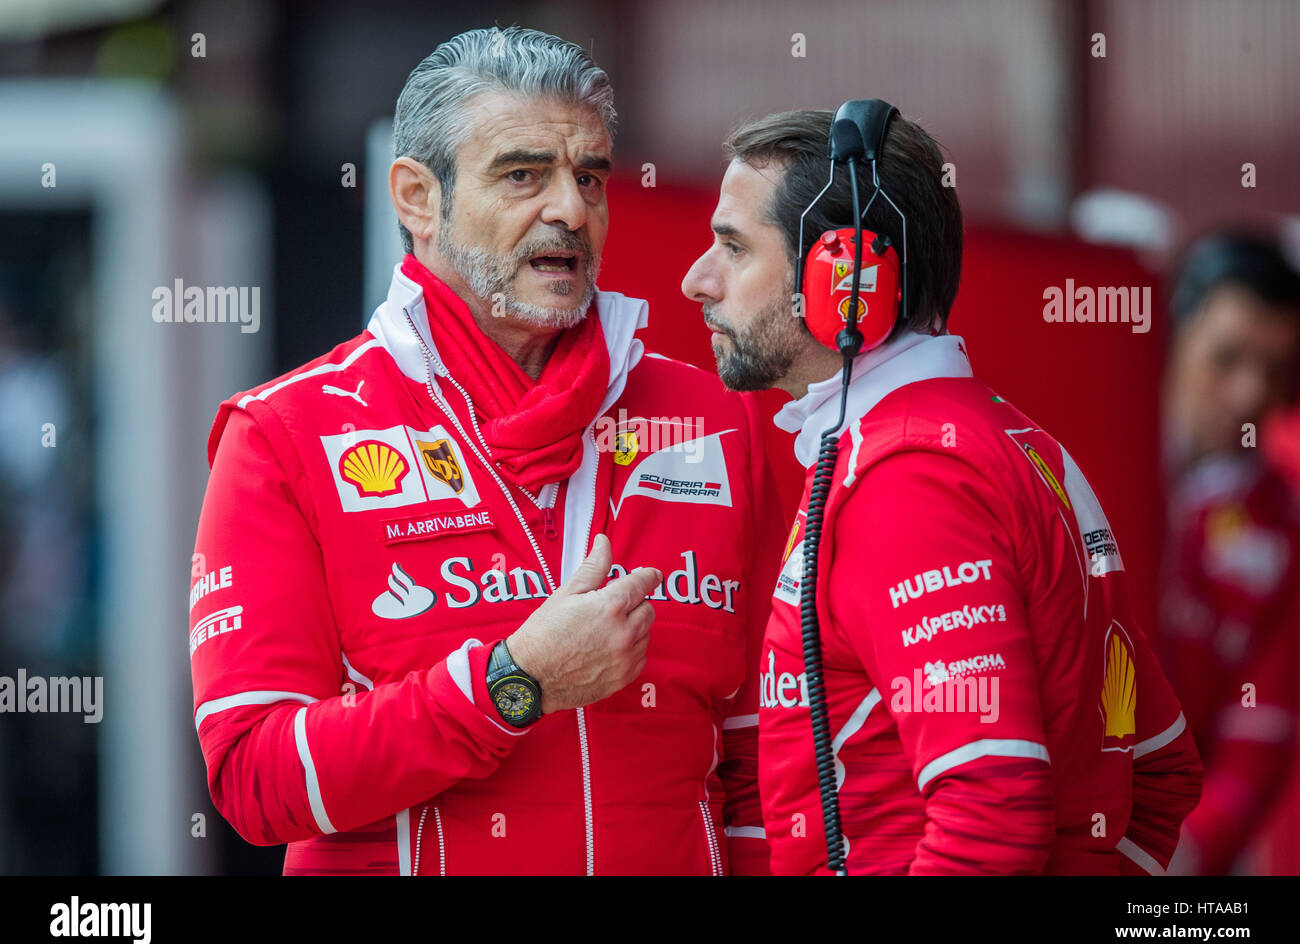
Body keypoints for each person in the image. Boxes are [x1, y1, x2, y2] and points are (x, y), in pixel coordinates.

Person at [189, 26, 779, 875]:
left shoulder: (713, 418)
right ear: (417, 198)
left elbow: (767, 762)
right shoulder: (286, 435)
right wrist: (514, 682)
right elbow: (256, 779)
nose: (571, 209)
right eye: (522, 175)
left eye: (589, 177)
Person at [681, 105, 1203, 874]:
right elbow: (1159, 772)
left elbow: (992, 821)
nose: (697, 280)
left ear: (845, 282)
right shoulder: (1016, 443)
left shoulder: (909, 480)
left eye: (733, 246)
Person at [1157, 233, 1300, 875]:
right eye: (1227, 358)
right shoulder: (1080, 462)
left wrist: (1180, 855)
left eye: (1274, 370)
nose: (1249, 393)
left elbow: (1259, 731)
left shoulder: (1280, 528)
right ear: (1172, 340)